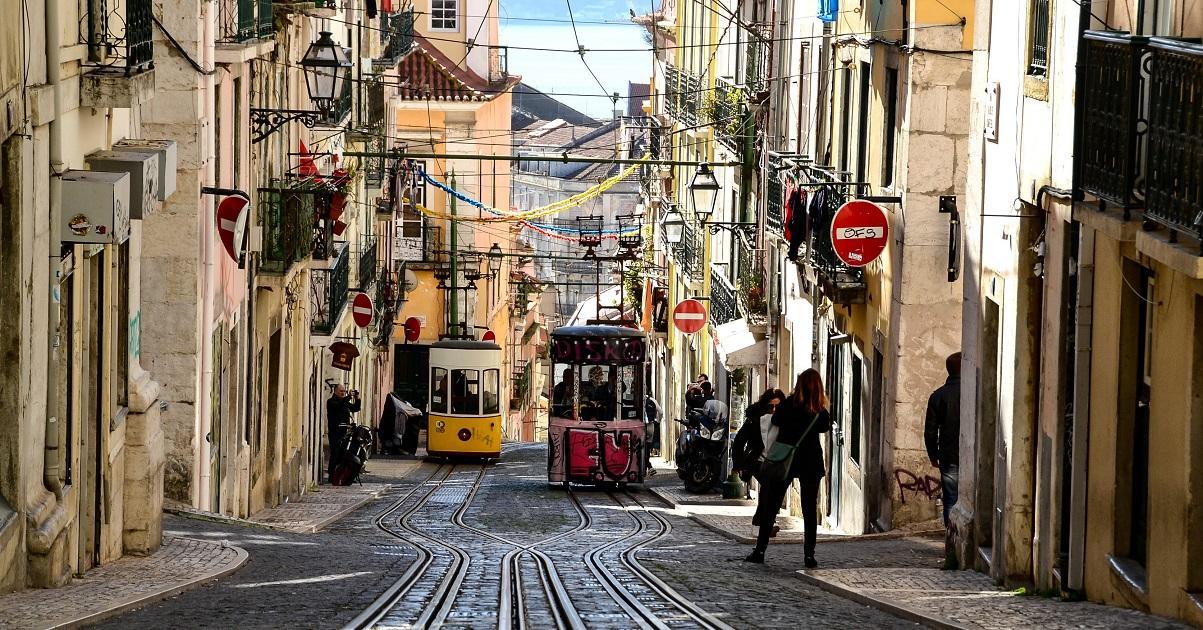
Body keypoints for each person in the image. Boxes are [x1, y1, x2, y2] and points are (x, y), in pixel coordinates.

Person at [746, 369, 831, 567]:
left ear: (799, 384)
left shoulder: (789, 405)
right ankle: (809, 555)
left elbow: (775, 420)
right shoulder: (820, 412)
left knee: (771, 506)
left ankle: (760, 551)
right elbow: (824, 428)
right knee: (810, 511)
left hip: (785, 459)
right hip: (810, 462)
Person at [925, 352, 962, 528]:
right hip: (972, 455)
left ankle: (951, 541)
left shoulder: (937, 396)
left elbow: (930, 431)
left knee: (950, 499)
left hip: (948, 455)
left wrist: (933, 455)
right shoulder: (975, 392)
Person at [732, 389, 785, 481]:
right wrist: (738, 465)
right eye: (770, 406)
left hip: (780, 463)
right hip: (759, 461)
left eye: (778, 406)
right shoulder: (754, 420)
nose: (774, 410)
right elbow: (739, 441)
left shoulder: (786, 420)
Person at [327, 384, 361, 483]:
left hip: (344, 432)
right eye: (341, 391)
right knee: (335, 453)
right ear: (335, 391)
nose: (343, 393)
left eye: (344, 391)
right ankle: (331, 475)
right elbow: (338, 406)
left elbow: (355, 408)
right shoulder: (331, 402)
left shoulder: (345, 402)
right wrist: (349, 397)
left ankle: (343, 475)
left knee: (344, 454)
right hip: (335, 432)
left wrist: (357, 398)